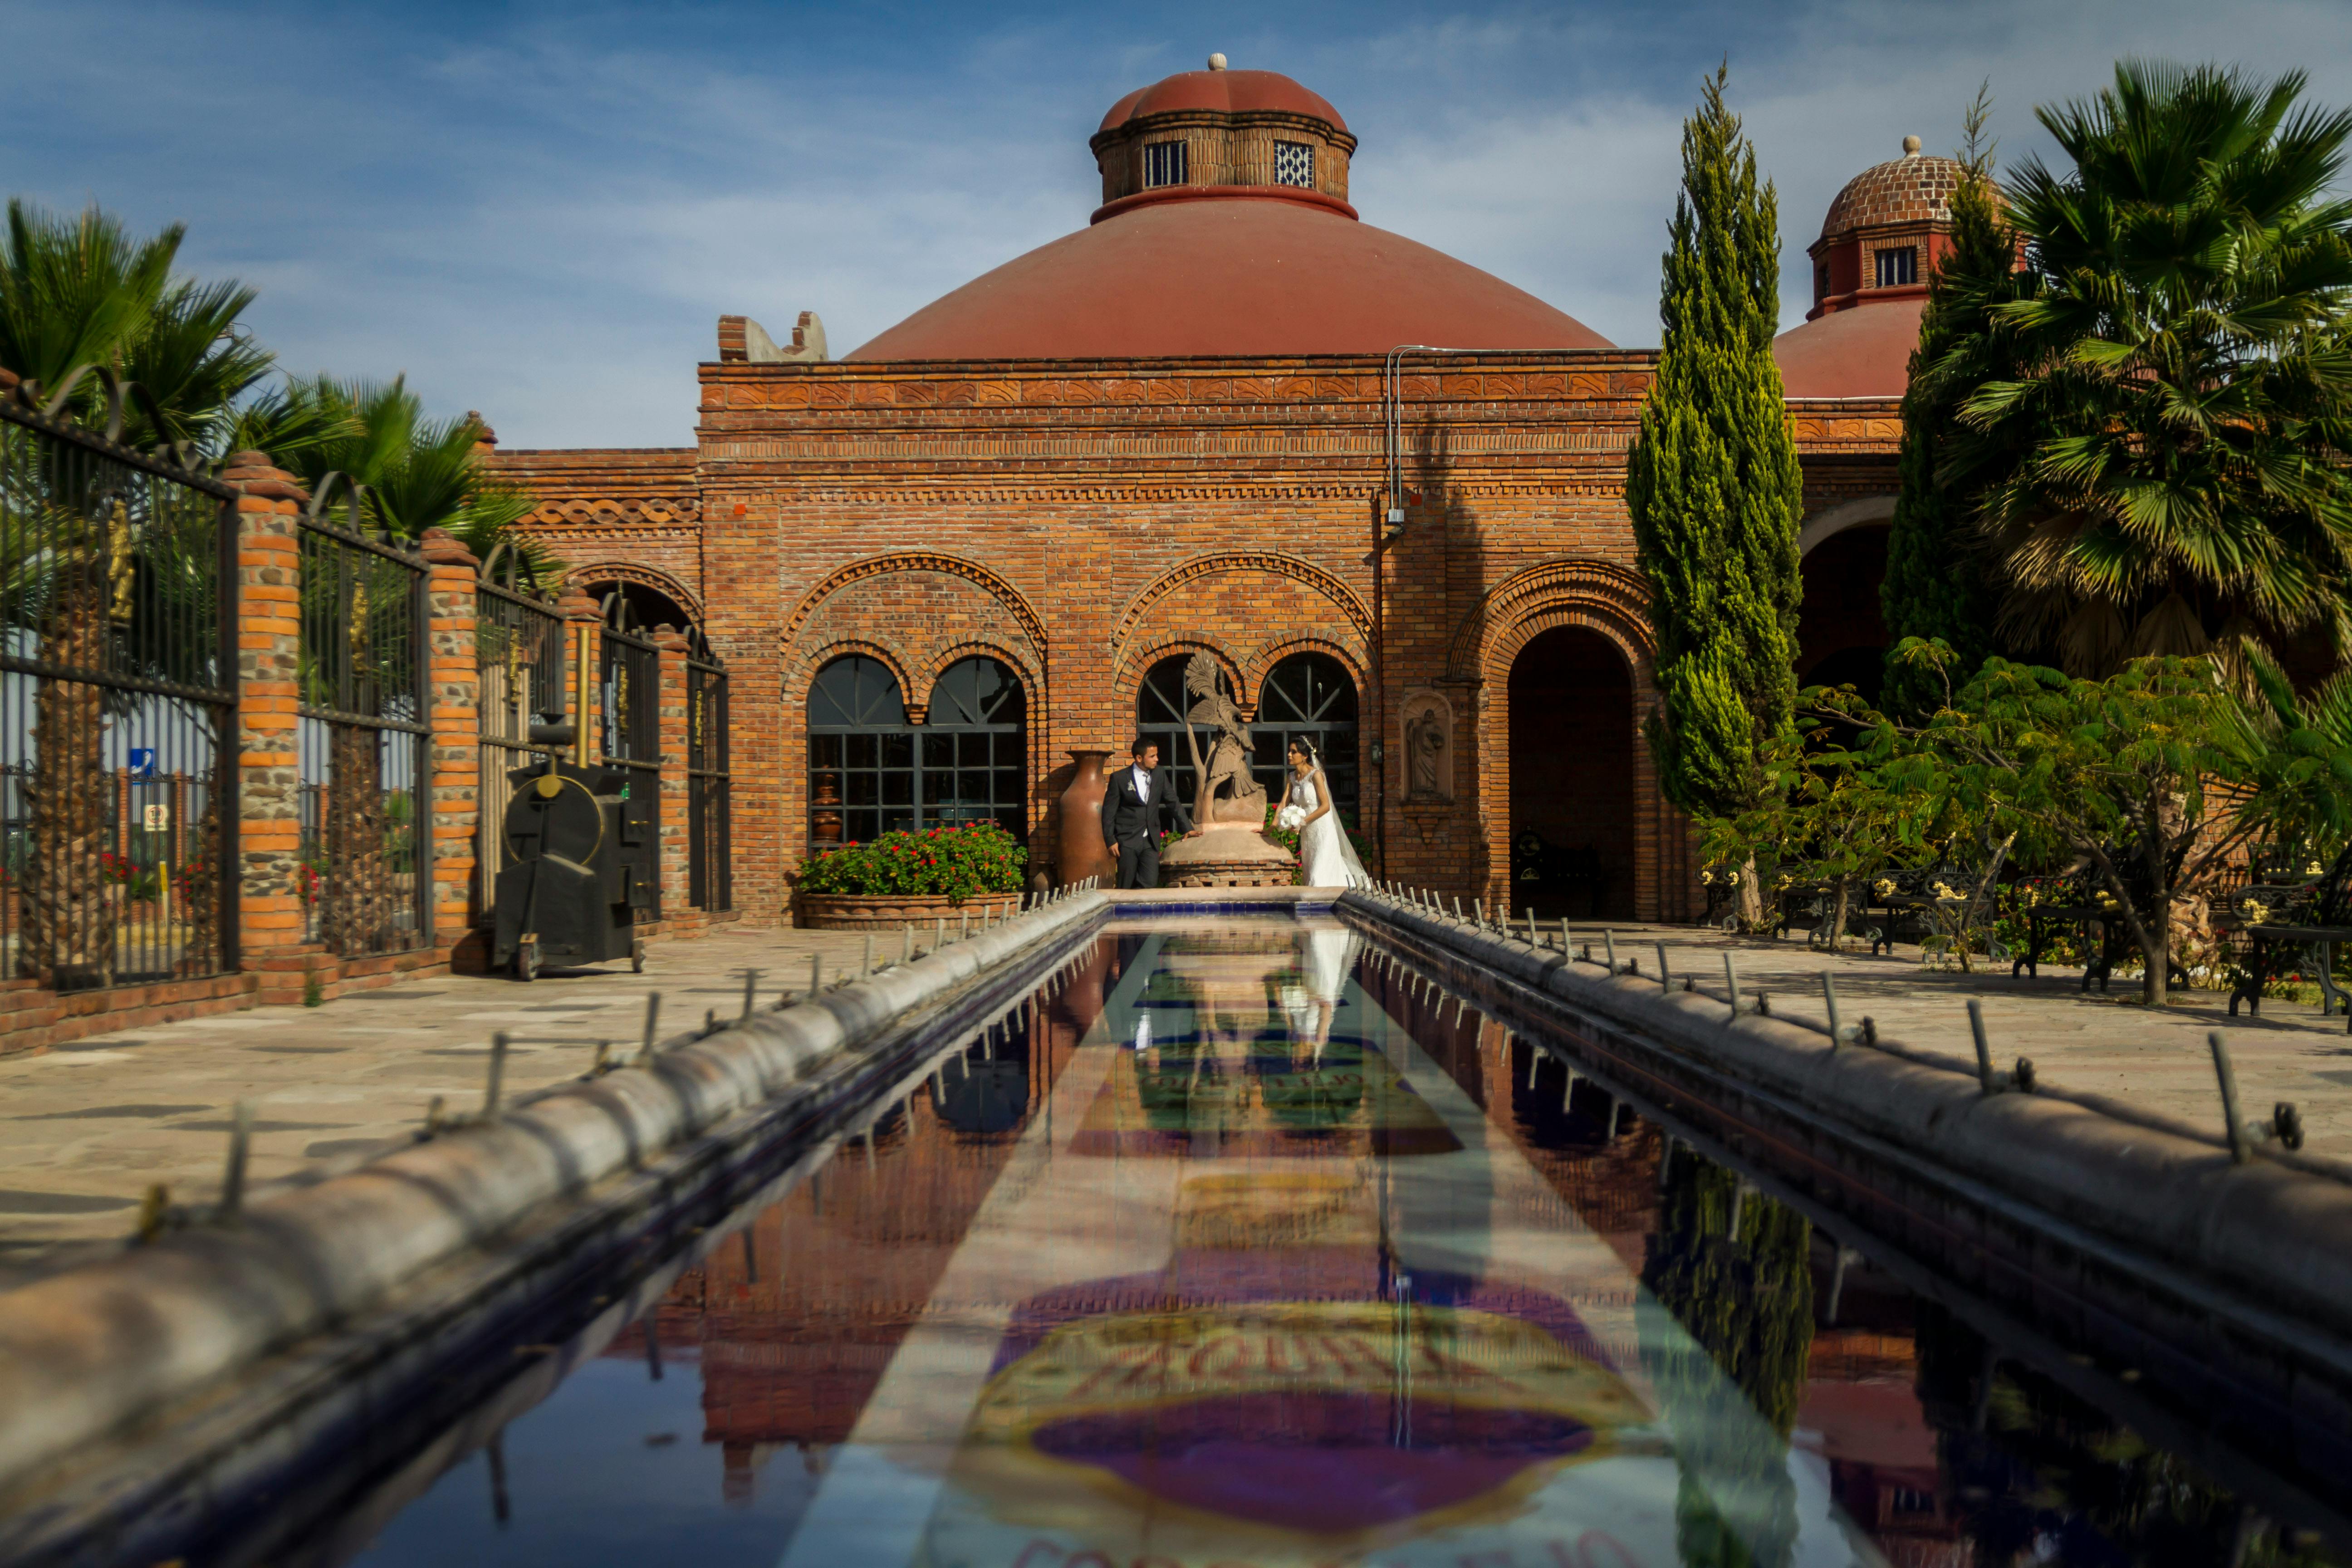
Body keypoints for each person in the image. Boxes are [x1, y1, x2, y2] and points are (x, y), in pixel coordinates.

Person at [1100, 736, 1193, 889]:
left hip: (1150, 841)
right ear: (1139, 758)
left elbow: (1173, 802)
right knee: (1126, 886)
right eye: (1152, 756)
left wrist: (1188, 829)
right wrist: (1110, 840)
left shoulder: (1160, 774)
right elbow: (1109, 812)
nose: (1157, 759)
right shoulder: (1120, 778)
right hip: (1127, 840)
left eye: (1156, 755)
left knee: (1149, 884)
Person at [1281, 738, 1370, 888]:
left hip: (1323, 829)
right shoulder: (1291, 777)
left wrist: (1302, 822)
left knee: (1317, 876)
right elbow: (1283, 803)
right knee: (1311, 871)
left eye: (1293, 752)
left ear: (1304, 756)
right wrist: (1270, 829)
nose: (1289, 754)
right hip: (1308, 833)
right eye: (1289, 751)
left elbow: (1326, 806)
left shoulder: (1316, 775)